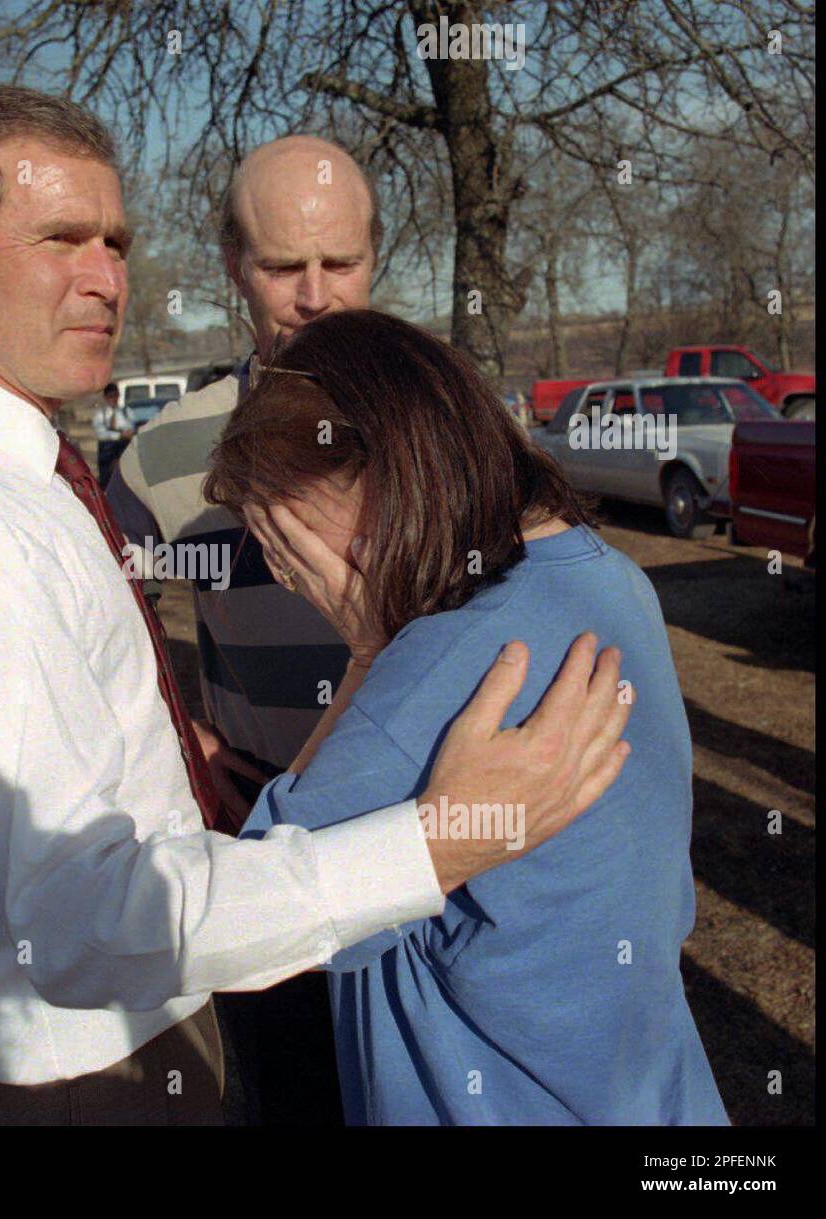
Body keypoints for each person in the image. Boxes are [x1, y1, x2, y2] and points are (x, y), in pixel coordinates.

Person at [0, 85, 631, 1127]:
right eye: (61, 239)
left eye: (116, 243)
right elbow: (89, 925)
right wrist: (437, 841)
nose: (105, 281)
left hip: (205, 964)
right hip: (86, 1065)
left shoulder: (6, 482)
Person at [206, 309, 727, 1125]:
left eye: (286, 528)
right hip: (655, 1091)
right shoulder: (609, 574)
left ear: (380, 477)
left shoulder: (433, 674)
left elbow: (254, 920)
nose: (284, 569)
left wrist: (371, 658)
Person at [106, 133, 381, 1124]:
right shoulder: (162, 456)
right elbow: (102, 633)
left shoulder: (458, 420)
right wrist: (186, 740)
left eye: (338, 262)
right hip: (268, 858)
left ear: (375, 257)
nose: (314, 295)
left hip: (445, 843)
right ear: (234, 266)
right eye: (281, 266)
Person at [90, 381, 132, 487]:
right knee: (106, 481)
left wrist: (128, 433)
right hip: (107, 451)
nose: (113, 399)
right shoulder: (101, 414)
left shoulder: (126, 412)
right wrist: (119, 435)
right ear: (105, 397)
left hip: (123, 449)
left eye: (115, 396)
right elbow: (100, 433)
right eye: (110, 396)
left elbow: (131, 428)